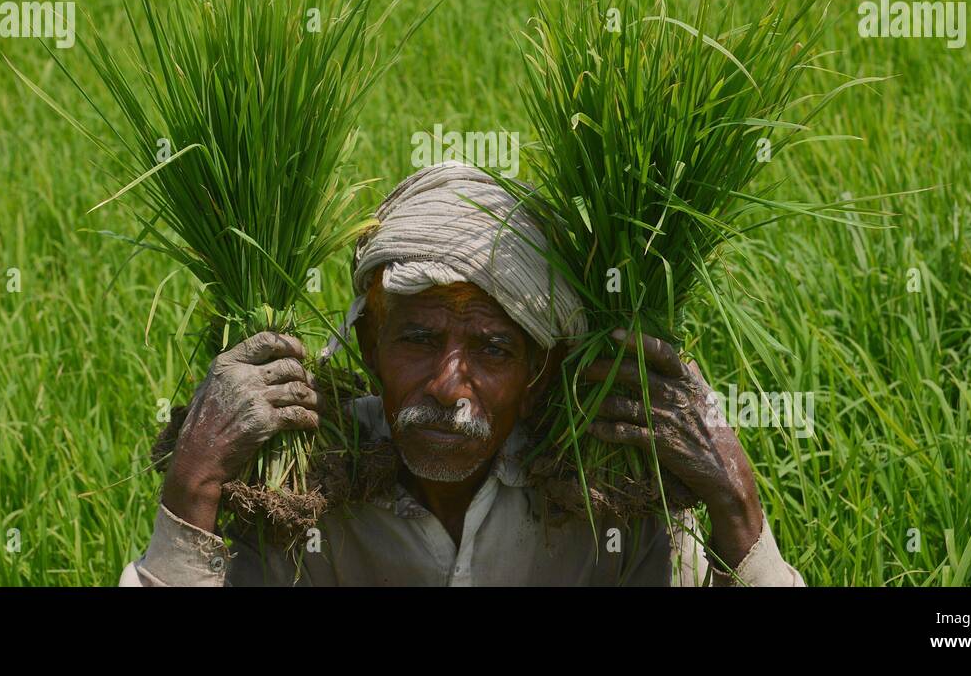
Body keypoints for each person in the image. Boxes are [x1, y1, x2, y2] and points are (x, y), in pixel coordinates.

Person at [119, 163, 803, 586]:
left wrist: (736, 504)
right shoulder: (301, 494)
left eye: (494, 349)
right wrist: (193, 481)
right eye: (418, 339)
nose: (449, 386)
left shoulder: (606, 497)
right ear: (369, 346)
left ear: (542, 371)